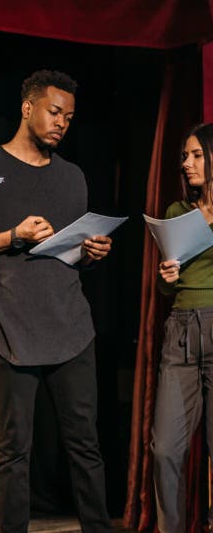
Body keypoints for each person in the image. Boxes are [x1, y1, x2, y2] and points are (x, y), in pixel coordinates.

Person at [0, 70, 112, 532]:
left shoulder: (73, 177)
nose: (62, 123)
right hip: (10, 329)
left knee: (85, 447)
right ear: (27, 108)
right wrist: (12, 236)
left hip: (72, 329)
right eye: (54, 112)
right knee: (13, 450)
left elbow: (74, 254)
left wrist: (92, 253)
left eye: (69, 117)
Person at [152, 123, 213, 533]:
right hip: (181, 331)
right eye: (184, 156)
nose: (186, 163)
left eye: (195, 155)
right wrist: (165, 276)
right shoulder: (177, 213)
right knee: (165, 450)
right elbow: (162, 287)